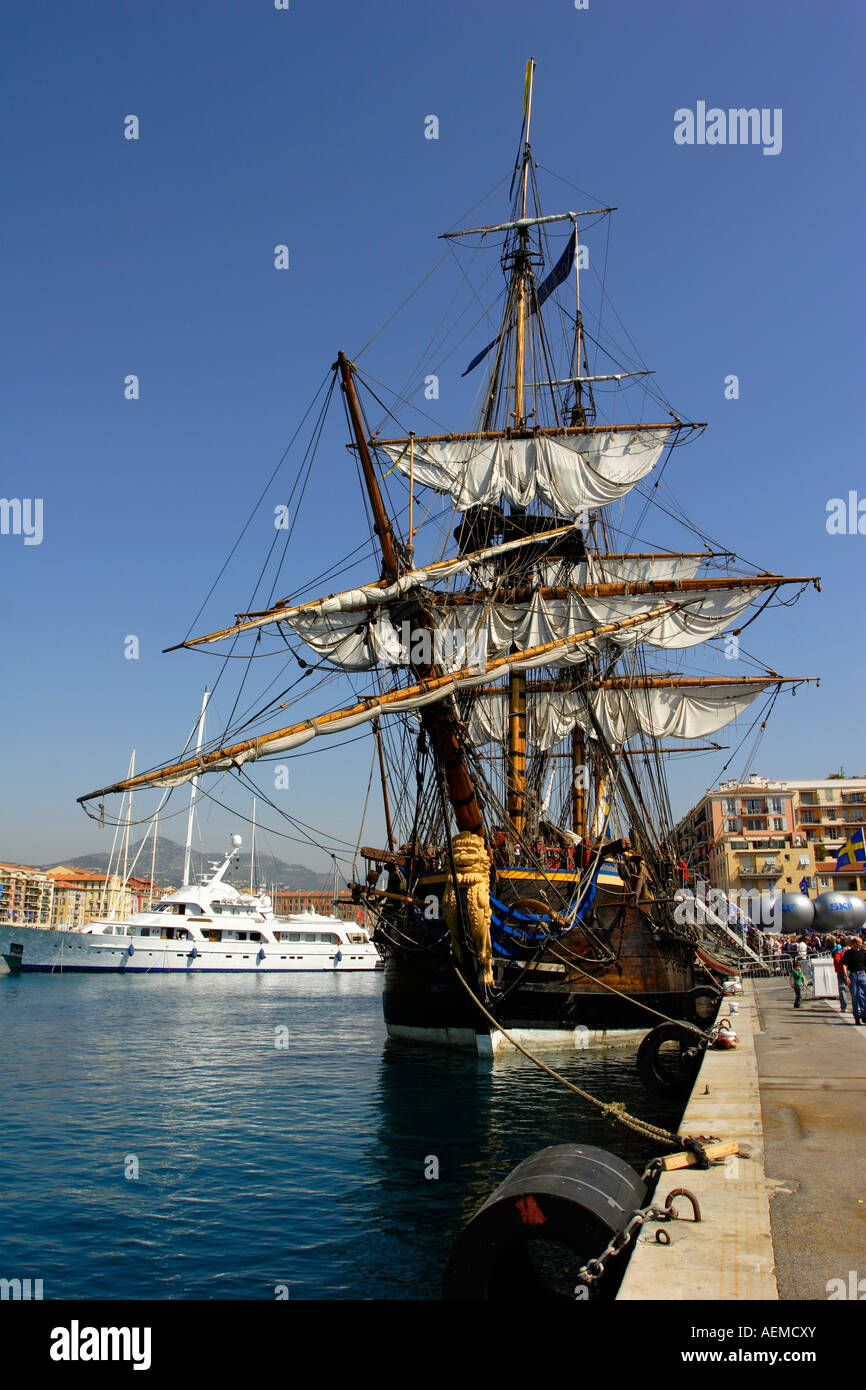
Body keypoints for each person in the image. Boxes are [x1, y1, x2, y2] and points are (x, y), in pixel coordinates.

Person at [841, 937, 866, 1025]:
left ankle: (864, 1015)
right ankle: (857, 1017)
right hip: (853, 975)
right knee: (855, 997)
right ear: (854, 943)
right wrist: (846, 976)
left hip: (862, 975)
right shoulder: (848, 953)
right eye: (859, 942)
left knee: (864, 996)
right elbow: (844, 964)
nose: (861, 944)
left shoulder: (863, 952)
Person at [832, 938, 849, 1014]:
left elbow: (836, 960)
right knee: (854, 990)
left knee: (842, 989)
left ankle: (843, 1007)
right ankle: (857, 1005)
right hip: (850, 971)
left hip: (840, 972)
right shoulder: (849, 950)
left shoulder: (839, 951)